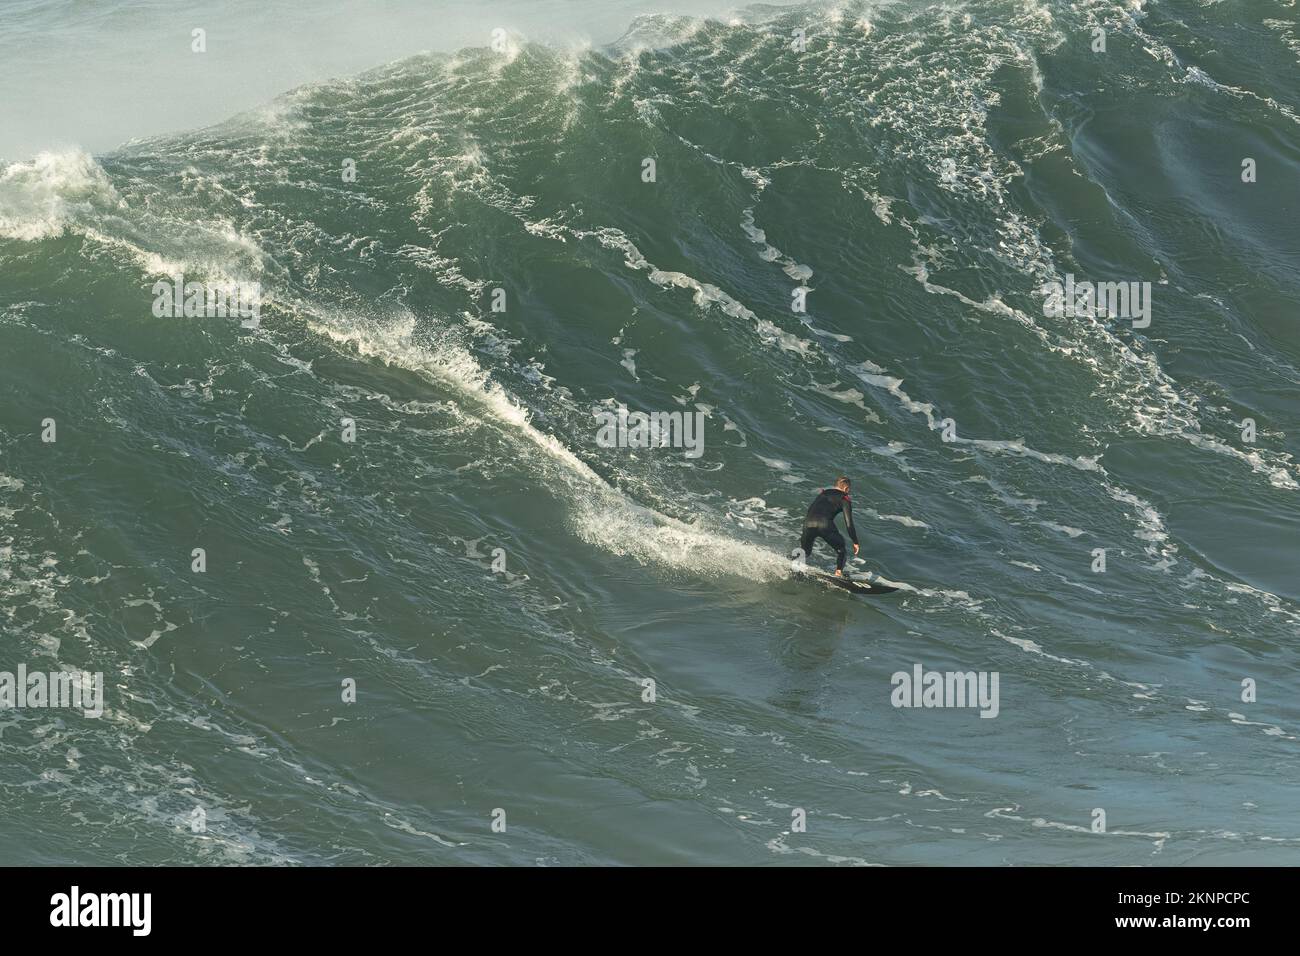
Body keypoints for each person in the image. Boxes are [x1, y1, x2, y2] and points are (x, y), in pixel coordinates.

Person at [798, 477, 860, 576]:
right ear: (846, 489)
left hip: (808, 523)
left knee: (805, 552)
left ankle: (787, 562)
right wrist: (855, 542)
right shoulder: (844, 498)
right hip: (824, 524)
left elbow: (811, 510)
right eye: (849, 490)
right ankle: (838, 573)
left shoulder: (823, 493)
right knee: (841, 550)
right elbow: (849, 523)